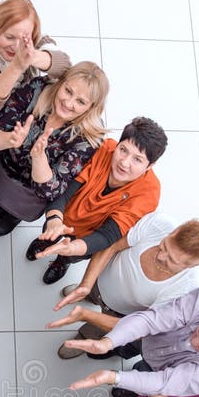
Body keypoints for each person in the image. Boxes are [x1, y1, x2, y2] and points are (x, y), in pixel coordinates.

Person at [50, 213, 199, 359]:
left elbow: (142, 326)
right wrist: (87, 283)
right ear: (173, 232)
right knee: (90, 291)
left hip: (117, 312)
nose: (161, 256)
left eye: (172, 261)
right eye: (164, 246)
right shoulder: (158, 224)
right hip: (99, 280)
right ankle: (87, 294)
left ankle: (85, 336)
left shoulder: (187, 288)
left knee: (98, 328)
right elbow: (111, 245)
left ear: (193, 264)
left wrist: (87, 316)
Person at [26, 116, 167, 284]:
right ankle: (46, 241)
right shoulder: (103, 149)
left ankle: (62, 262)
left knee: (73, 255)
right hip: (63, 215)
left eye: (137, 159)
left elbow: (108, 234)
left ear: (149, 166)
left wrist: (73, 248)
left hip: (91, 236)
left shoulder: (149, 192)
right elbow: (64, 190)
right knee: (49, 232)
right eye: (123, 150)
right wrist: (54, 220)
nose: (124, 162)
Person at [65, 288, 199, 397]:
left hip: (161, 370)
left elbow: (164, 382)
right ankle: (114, 350)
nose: (191, 341)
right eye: (197, 331)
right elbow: (150, 322)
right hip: (152, 335)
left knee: (139, 384)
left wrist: (114, 377)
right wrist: (109, 341)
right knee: (127, 344)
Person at [0, 61, 107, 237]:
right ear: (61, 82)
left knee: (16, 210)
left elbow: (51, 190)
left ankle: (12, 218)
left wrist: (39, 158)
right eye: (68, 91)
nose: (68, 103)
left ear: (91, 107)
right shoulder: (37, 89)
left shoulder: (88, 139)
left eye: (80, 101)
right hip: (6, 168)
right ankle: (1, 204)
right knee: (1, 196)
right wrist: (8, 140)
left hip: (30, 193)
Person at [0, 0, 71, 181]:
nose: (15, 46)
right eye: (9, 37)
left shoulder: (35, 43)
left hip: (18, 120)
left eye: (23, 38)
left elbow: (65, 67)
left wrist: (33, 56)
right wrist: (17, 66)